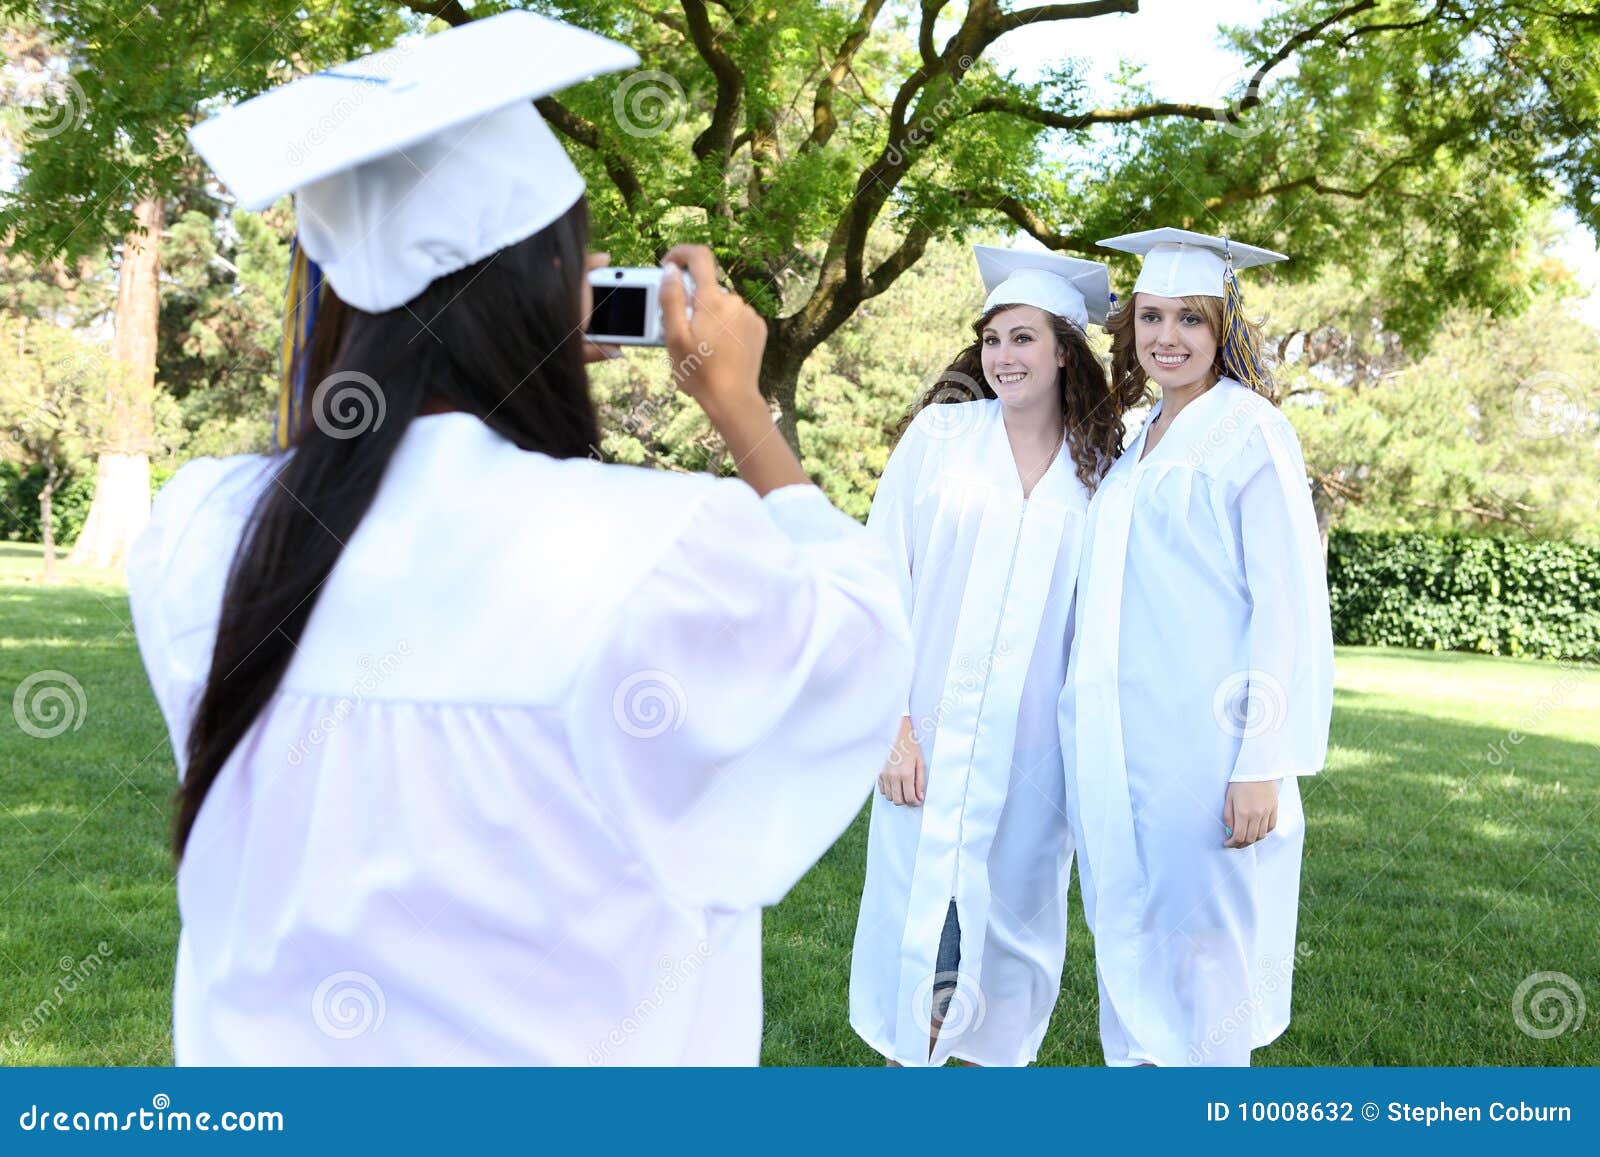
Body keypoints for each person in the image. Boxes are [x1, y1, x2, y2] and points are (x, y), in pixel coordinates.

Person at [126, 10, 912, 1066]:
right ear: (552, 287)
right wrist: (739, 407)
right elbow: (861, 637)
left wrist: (512, 338)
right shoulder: (650, 548)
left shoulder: (203, 528)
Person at [849, 245, 1139, 1066]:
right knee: (922, 939)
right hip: (926, 741)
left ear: (1064, 352)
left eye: (1023, 338)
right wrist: (892, 727)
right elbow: (880, 580)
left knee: (1011, 942)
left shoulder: (1103, 468)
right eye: (992, 339)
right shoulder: (940, 438)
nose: (1003, 356)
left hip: (1037, 757)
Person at [1060, 227, 1334, 1067]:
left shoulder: (1251, 430)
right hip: (1118, 740)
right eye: (1151, 317)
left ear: (1222, 329)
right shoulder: (1136, 437)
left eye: (1189, 318)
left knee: (1206, 948)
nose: (1167, 336)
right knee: (1130, 927)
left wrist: (1262, 759)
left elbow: (1285, 605)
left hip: (1208, 744)